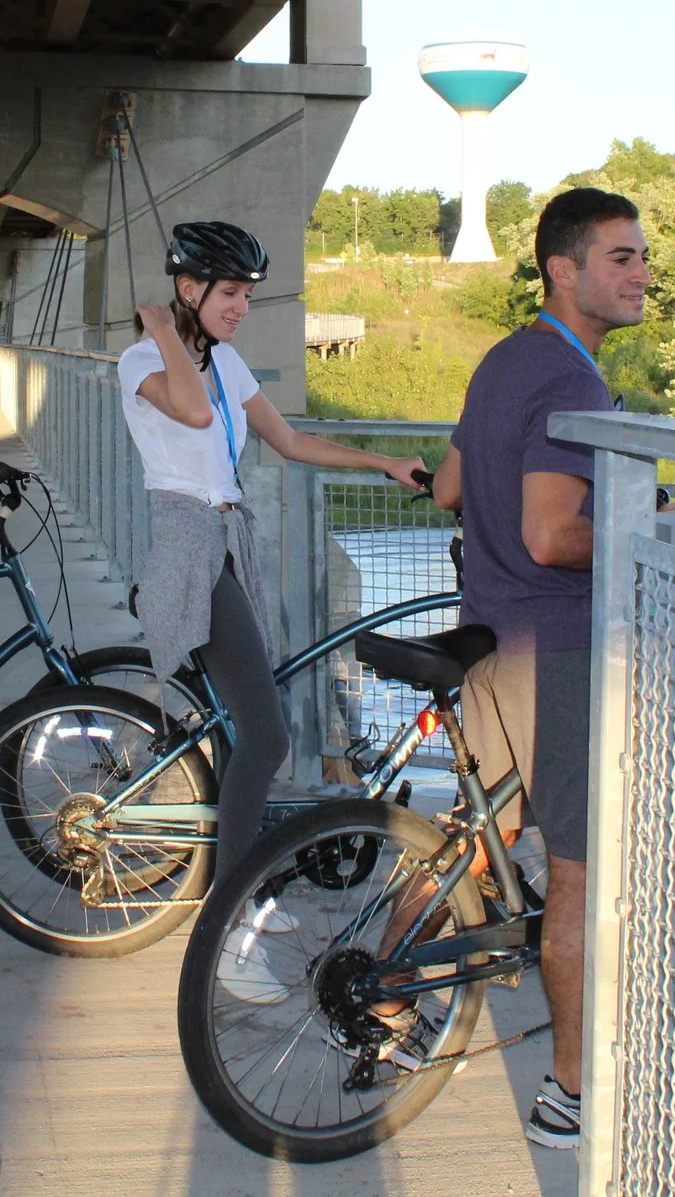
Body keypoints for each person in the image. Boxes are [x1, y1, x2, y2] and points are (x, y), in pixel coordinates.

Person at [119, 221, 428, 988]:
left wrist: (382, 460)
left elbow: (287, 440)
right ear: (190, 289)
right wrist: (162, 328)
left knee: (246, 727)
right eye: (230, 293)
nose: (242, 308)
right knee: (264, 733)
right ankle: (226, 934)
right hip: (189, 549)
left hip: (230, 542)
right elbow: (192, 415)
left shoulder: (221, 359)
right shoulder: (139, 360)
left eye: (247, 295)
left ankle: (240, 878)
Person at [429, 186, 651, 1149]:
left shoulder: (503, 360)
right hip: (555, 645)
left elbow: (446, 485)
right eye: (621, 257)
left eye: (643, 257)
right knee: (577, 870)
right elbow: (555, 534)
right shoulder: (573, 382)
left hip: (489, 635)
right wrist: (652, 530)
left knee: (471, 845)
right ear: (565, 268)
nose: (642, 275)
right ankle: (570, 1089)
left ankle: (390, 1019)